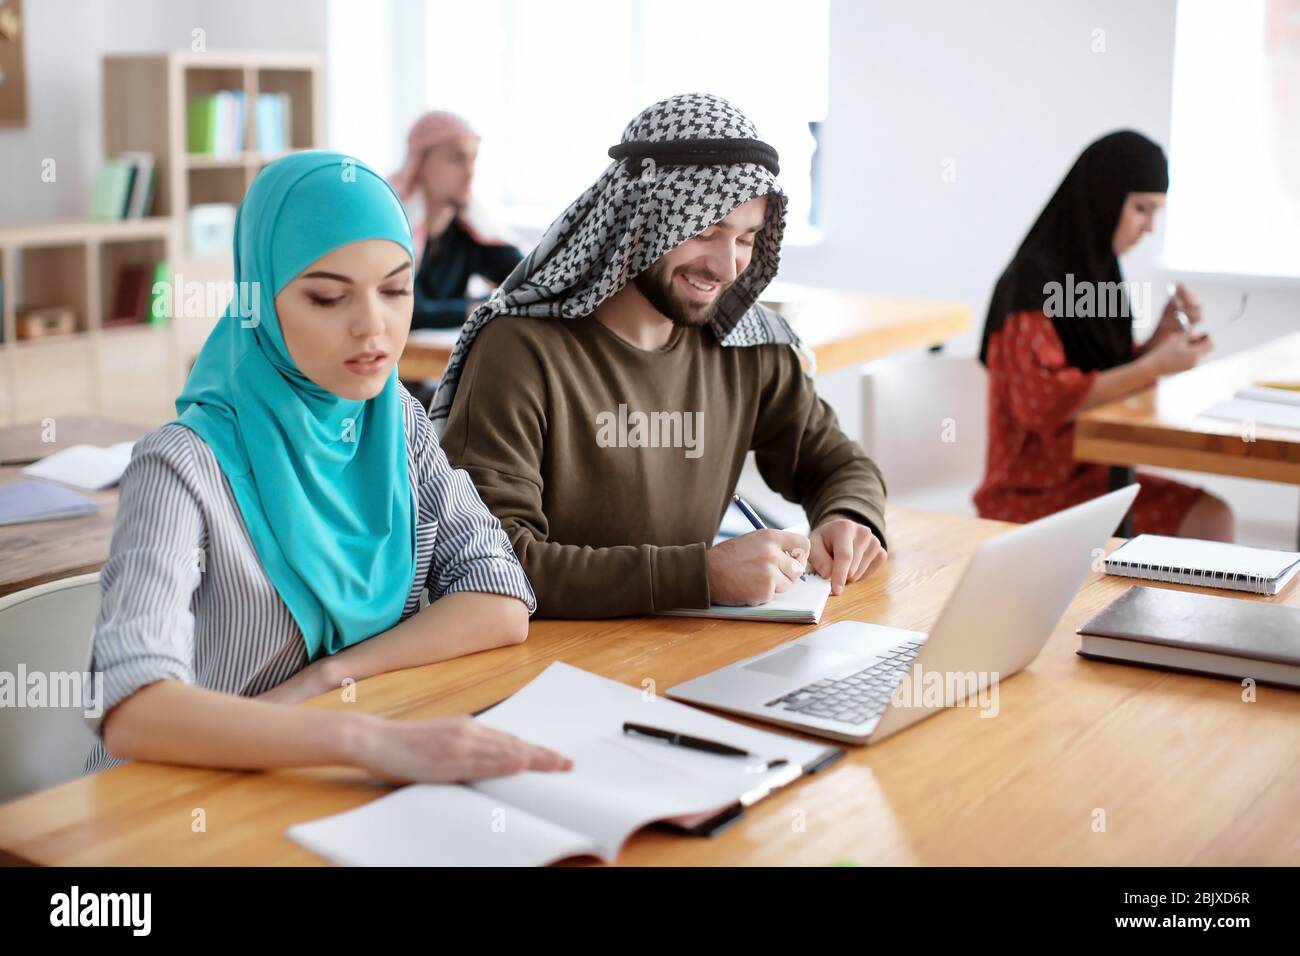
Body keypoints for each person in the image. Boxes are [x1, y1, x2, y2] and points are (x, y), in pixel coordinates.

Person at [86, 151, 571, 783]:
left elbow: (501, 600)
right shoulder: (180, 465)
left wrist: (330, 677)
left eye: (396, 289)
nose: (373, 326)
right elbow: (131, 708)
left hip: (314, 780)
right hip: (170, 799)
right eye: (327, 297)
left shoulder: (395, 421)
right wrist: (355, 736)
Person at [435, 94, 889, 619]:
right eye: (704, 232)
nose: (726, 267)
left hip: (686, 651)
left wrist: (849, 517)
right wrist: (702, 575)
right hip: (548, 664)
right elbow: (495, 564)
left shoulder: (747, 344)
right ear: (639, 221)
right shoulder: (519, 352)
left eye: (746, 238)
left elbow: (837, 463)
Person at [974, 130, 1233, 541]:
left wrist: (1161, 337)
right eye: (1141, 209)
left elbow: (1105, 370)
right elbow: (1046, 402)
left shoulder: (1097, 271)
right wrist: (1154, 364)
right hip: (1031, 490)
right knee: (1209, 518)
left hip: (1097, 468)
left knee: (1211, 516)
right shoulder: (1029, 286)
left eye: (1156, 212)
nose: (1149, 228)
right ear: (1103, 198)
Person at [389, 110, 524, 330]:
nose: (470, 172)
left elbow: (526, 279)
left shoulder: (469, 231)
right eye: (457, 159)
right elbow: (405, 308)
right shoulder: (392, 230)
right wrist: (473, 307)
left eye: (473, 159)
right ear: (421, 164)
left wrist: (479, 305)